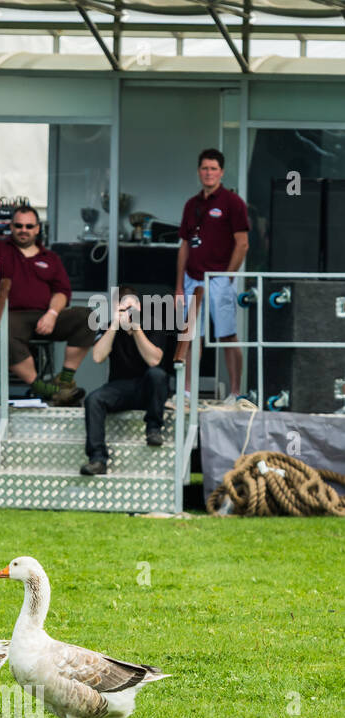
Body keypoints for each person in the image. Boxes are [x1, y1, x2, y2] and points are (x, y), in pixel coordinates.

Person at [0, 205, 94, 405]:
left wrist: (53, 313)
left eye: (29, 226)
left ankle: (64, 383)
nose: (24, 230)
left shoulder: (51, 258)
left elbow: (62, 292)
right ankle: (46, 390)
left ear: (37, 229)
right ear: (11, 227)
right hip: (11, 317)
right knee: (3, 330)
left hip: (45, 317)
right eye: (19, 225)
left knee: (88, 317)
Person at [175, 148, 249, 403]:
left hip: (219, 278)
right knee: (192, 335)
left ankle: (236, 392)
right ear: (199, 172)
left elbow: (242, 244)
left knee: (227, 335)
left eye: (213, 169)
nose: (209, 173)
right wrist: (179, 287)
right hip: (193, 279)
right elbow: (184, 246)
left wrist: (228, 276)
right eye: (205, 168)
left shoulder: (232, 202)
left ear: (222, 172)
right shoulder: (191, 204)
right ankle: (186, 391)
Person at [80, 287, 172, 476]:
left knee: (157, 375)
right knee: (93, 400)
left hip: (148, 387)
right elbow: (98, 357)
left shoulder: (152, 324)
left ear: (138, 306)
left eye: (130, 307)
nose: (127, 312)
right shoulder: (108, 327)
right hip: (120, 387)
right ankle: (98, 459)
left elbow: (154, 360)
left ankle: (153, 429)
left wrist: (136, 329)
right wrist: (115, 324)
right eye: (122, 307)